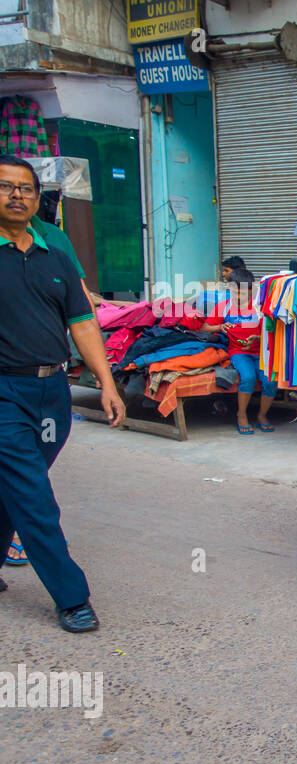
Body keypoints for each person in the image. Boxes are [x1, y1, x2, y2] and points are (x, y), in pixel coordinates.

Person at [0, 154, 124, 632]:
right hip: (4, 390)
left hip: (53, 389)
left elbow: (82, 323)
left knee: (13, 486)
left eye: (26, 189)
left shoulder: (55, 257)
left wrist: (107, 383)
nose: (17, 196)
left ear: (37, 198)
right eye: (7, 187)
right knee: (34, 495)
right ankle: (72, 597)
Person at [198, 268, 276, 434]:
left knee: (270, 380)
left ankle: (262, 415)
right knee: (247, 377)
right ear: (230, 288)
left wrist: (258, 339)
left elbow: (272, 333)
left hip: (261, 352)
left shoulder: (259, 308)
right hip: (238, 352)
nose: (240, 297)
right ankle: (241, 415)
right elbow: (204, 327)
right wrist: (219, 326)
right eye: (236, 293)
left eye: (244, 293)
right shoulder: (223, 307)